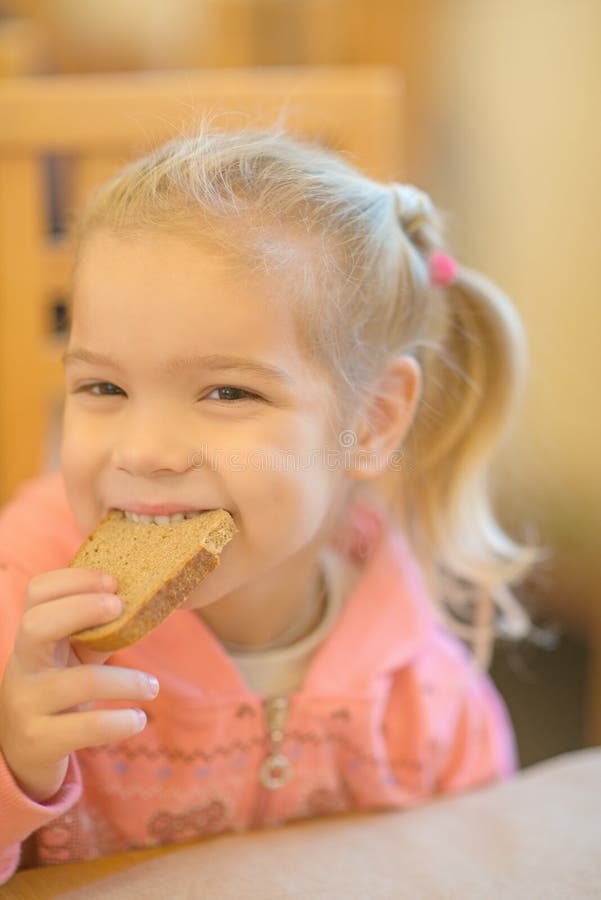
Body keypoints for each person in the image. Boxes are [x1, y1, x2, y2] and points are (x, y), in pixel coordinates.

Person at [0, 119, 545, 881]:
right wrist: (16, 765)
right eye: (103, 387)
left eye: (228, 391)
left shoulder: (417, 685)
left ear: (373, 420)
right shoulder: (22, 616)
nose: (143, 452)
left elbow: (483, 868)